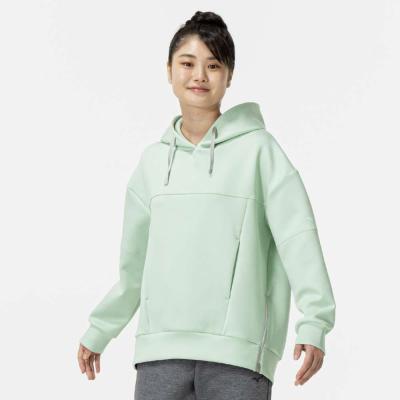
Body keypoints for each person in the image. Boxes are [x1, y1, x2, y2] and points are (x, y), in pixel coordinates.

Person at [77, 10, 336, 399]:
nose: (199, 75)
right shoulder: (152, 163)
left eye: (213, 65)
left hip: (238, 356)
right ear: (169, 70)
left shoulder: (259, 152)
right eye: (187, 63)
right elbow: (134, 267)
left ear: (229, 76)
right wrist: (101, 328)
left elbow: (297, 236)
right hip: (160, 354)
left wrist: (315, 321)